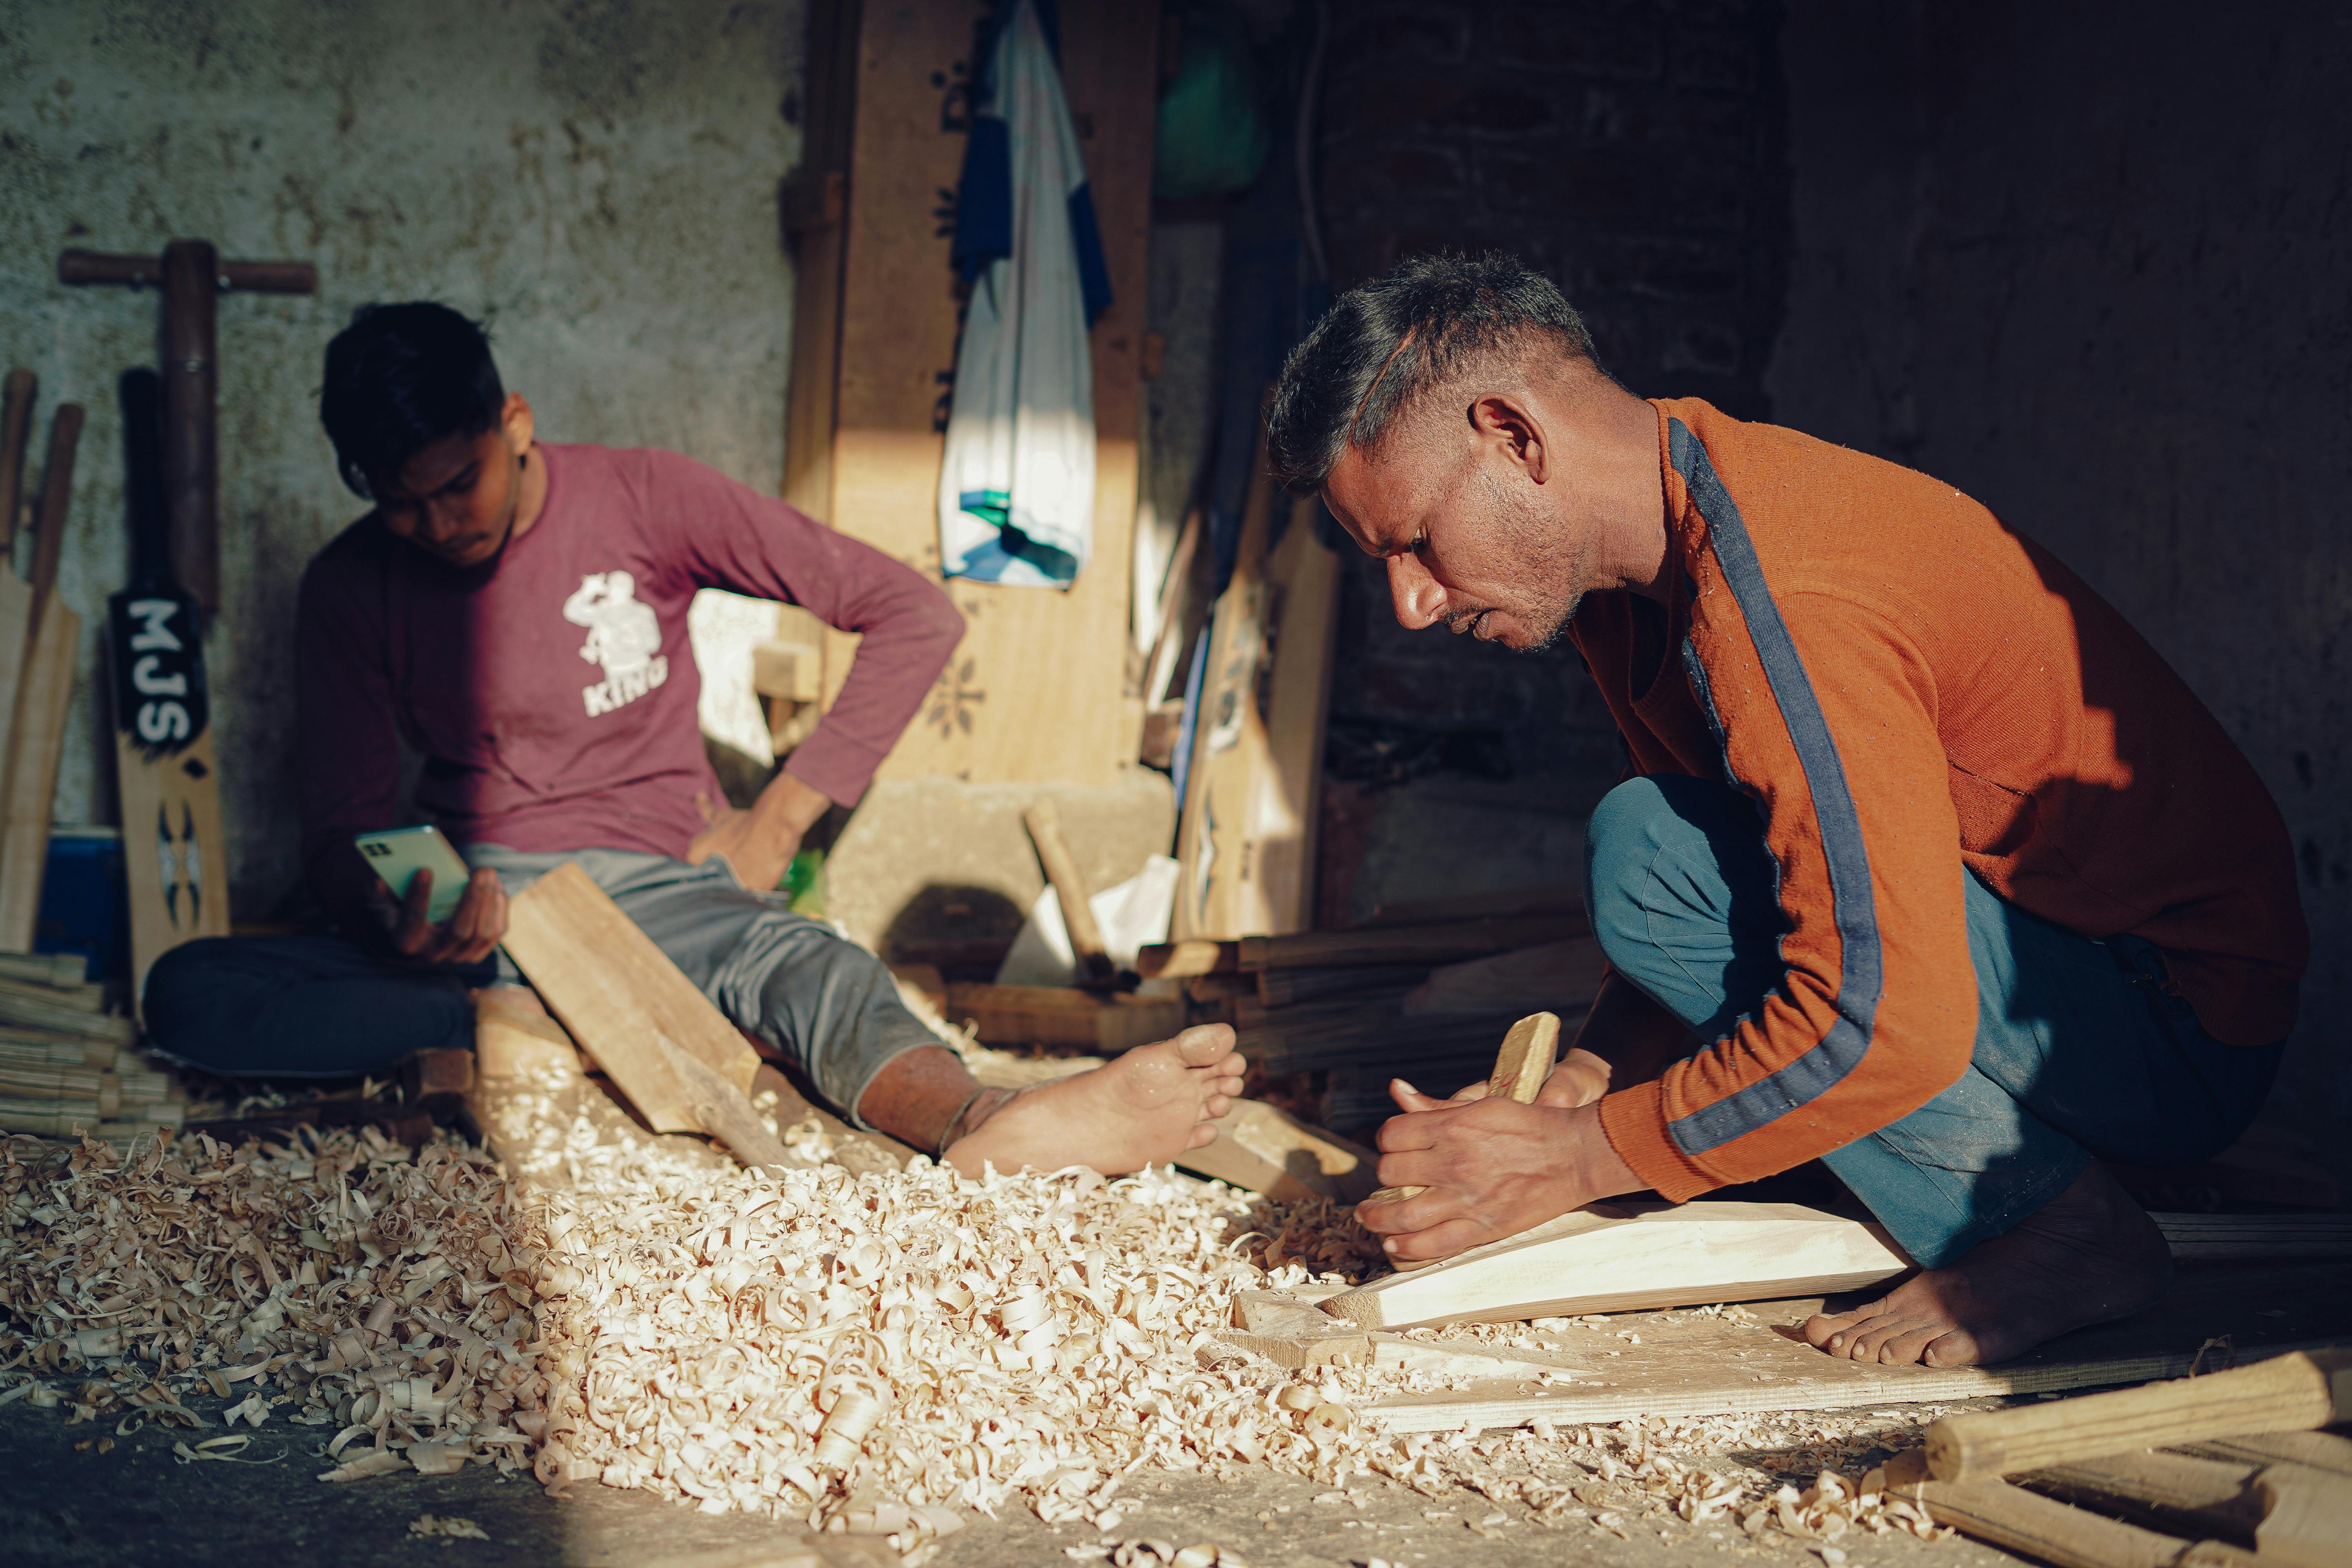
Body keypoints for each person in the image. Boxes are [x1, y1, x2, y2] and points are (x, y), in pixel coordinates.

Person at [1264, 254, 2306, 1367]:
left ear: (1515, 438)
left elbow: (1886, 1020)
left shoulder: (1790, 593)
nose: (1411, 603)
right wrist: (1580, 1090)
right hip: (2064, 974)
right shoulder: (1639, 576)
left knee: (1648, 855)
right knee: (1668, 871)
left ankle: (2057, 1227)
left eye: (1415, 540)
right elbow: (1755, 880)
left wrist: (1576, 1163)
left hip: (2174, 1019)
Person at [144, 301, 1243, 1176]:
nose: (438, 527)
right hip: (485, 921)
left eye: (456, 485)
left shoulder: (644, 497)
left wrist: (777, 819)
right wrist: (405, 911)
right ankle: (543, 1021)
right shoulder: (347, 584)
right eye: (400, 504)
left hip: (657, 893)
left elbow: (912, 611)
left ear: (513, 424)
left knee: (807, 964)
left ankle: (982, 1121)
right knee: (190, 990)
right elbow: (342, 826)